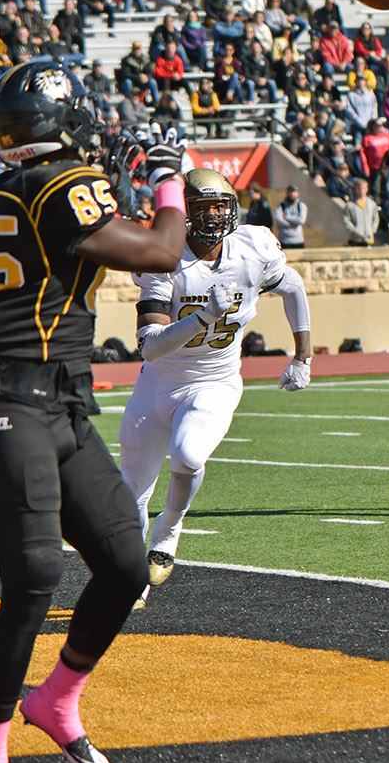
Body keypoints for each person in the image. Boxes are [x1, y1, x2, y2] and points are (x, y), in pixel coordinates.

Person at [0, 63, 187, 763]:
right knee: (35, 576)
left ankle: (58, 700)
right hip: (8, 403)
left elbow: (73, 229)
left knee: (124, 564)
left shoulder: (10, 185)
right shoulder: (62, 184)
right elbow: (161, 253)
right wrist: (168, 181)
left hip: (60, 403)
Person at [119, 167, 312, 592]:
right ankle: (130, 581)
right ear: (183, 212)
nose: (212, 216)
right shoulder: (163, 258)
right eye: (202, 207)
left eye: (220, 206)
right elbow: (149, 346)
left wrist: (304, 356)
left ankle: (168, 531)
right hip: (158, 380)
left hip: (215, 378)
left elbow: (294, 287)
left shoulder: (253, 247)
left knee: (188, 455)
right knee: (130, 491)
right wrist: (204, 316)